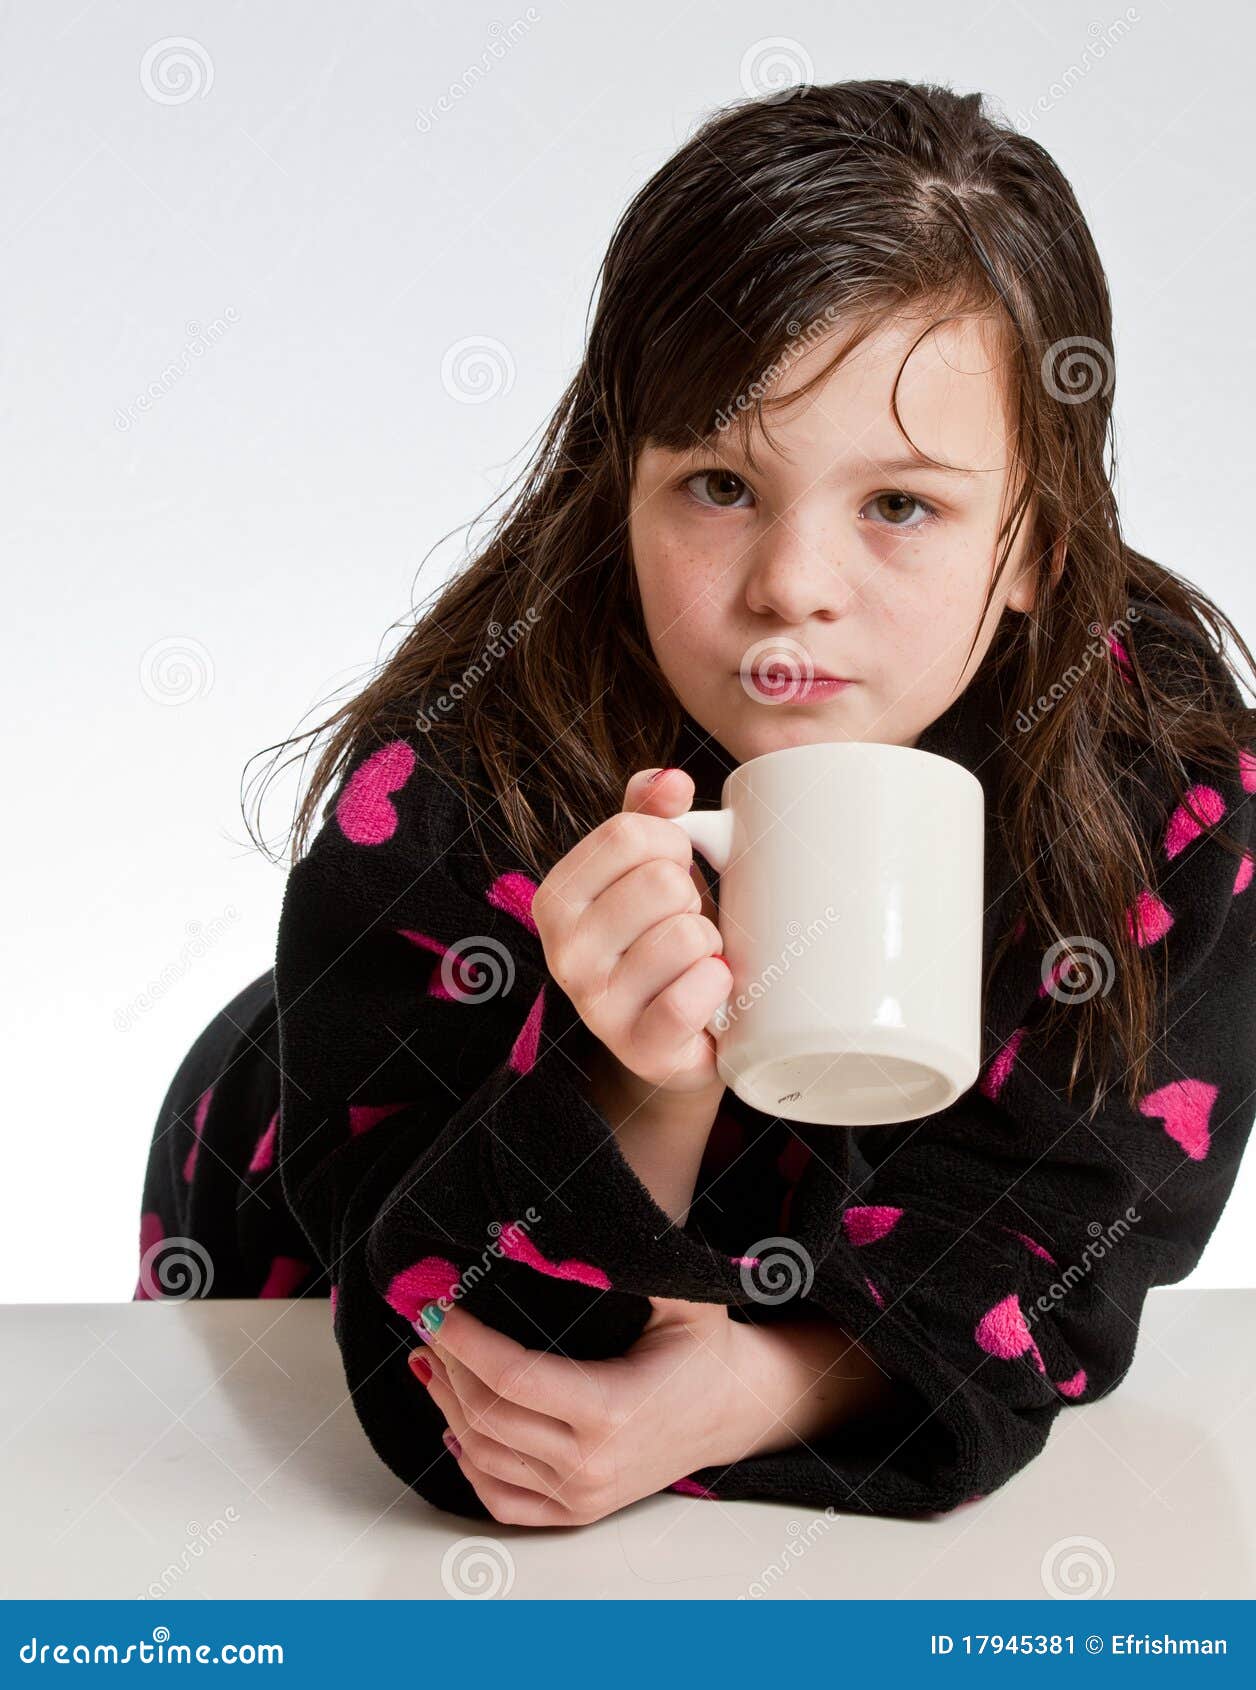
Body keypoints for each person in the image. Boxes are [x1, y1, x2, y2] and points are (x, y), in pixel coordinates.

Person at [135, 79, 1256, 1528]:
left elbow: (1057, 1247)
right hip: (313, 1159)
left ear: (1037, 539)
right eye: (720, 482)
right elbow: (458, 1384)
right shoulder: (463, 778)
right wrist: (642, 1078)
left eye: (900, 506)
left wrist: (752, 1388)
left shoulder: (1162, 783)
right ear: (624, 491)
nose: (793, 581)